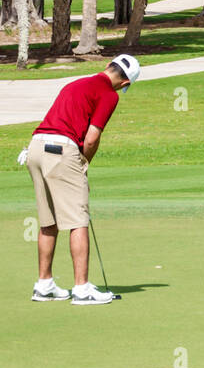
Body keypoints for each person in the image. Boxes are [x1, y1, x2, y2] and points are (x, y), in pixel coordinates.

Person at [23, 55, 141, 304]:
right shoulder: (110, 94)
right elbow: (91, 138)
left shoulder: (75, 83)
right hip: (61, 150)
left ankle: (44, 285)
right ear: (125, 82)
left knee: (49, 221)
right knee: (78, 220)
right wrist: (84, 163)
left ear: (108, 65)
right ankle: (82, 289)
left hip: (34, 149)